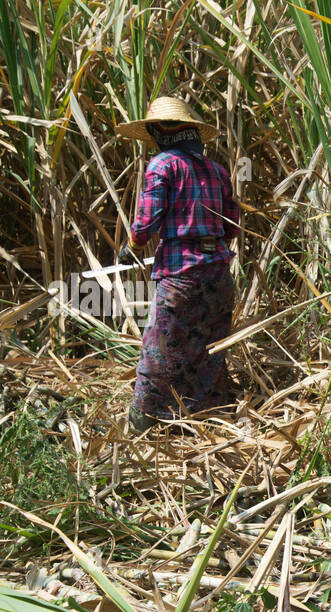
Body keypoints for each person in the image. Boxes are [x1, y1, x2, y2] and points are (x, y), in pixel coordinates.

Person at [114, 96, 240, 431]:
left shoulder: (162, 165)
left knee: (157, 351)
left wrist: (131, 247)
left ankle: (142, 424)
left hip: (180, 276)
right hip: (218, 274)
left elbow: (146, 221)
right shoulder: (218, 170)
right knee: (208, 350)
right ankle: (208, 419)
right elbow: (231, 225)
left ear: (159, 131)